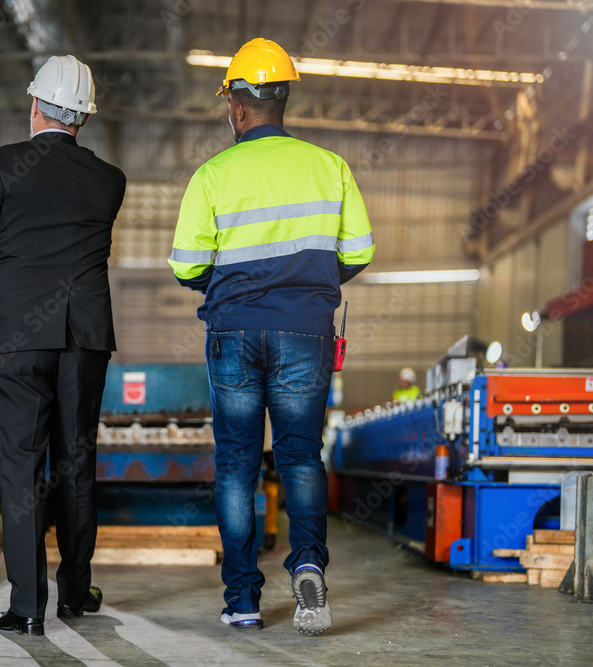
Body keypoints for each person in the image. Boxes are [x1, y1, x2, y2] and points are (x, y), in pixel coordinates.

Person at [168, 38, 374, 636]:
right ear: (283, 100)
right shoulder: (330, 167)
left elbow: (186, 265)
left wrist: (230, 284)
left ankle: (242, 601)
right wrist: (308, 283)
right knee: (301, 457)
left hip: (233, 330)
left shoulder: (212, 175)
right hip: (305, 332)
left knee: (237, 466)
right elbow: (359, 251)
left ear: (237, 106)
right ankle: (308, 564)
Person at [0, 55, 126, 637]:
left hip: (18, 337)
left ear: (34, 106)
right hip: (84, 339)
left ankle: (28, 605)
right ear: (84, 118)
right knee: (76, 462)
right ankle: (76, 591)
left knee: (21, 469)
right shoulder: (110, 180)